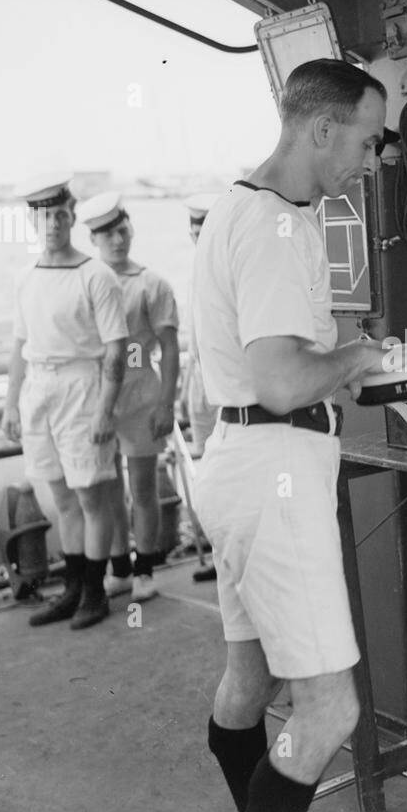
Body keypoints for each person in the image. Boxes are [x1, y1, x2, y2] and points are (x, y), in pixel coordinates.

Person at [191, 58, 390, 812]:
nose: (370, 160)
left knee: (251, 682)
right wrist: (359, 360)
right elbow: (279, 380)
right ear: (321, 129)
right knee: (330, 710)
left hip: (236, 465)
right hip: (275, 473)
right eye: (367, 141)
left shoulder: (249, 210)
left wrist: (342, 357)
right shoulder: (277, 227)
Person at [2, 172, 129, 631]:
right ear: (32, 220)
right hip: (39, 388)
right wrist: (10, 403)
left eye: (60, 214)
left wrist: (105, 409)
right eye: (44, 215)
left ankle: (96, 592)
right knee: (60, 496)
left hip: (82, 388)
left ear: (73, 216)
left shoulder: (95, 276)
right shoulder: (25, 278)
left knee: (92, 496)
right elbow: (19, 343)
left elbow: (116, 348)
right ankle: (73, 588)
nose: (53, 223)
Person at [81, 191, 180, 603]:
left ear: (131, 230)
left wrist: (166, 403)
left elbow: (170, 347)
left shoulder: (151, 284)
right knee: (108, 488)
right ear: (94, 241)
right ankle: (118, 566)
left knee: (141, 487)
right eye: (107, 236)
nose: (117, 242)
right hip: (99, 397)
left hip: (140, 392)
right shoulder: (86, 279)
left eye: (122, 231)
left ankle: (145, 568)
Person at [183, 193, 221, 584]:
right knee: (206, 473)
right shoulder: (195, 266)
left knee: (223, 469)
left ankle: (228, 553)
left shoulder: (225, 262)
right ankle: (217, 551)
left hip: (223, 382)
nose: (199, 232)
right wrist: (184, 388)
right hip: (198, 380)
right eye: (195, 226)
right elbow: (192, 337)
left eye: (204, 223)